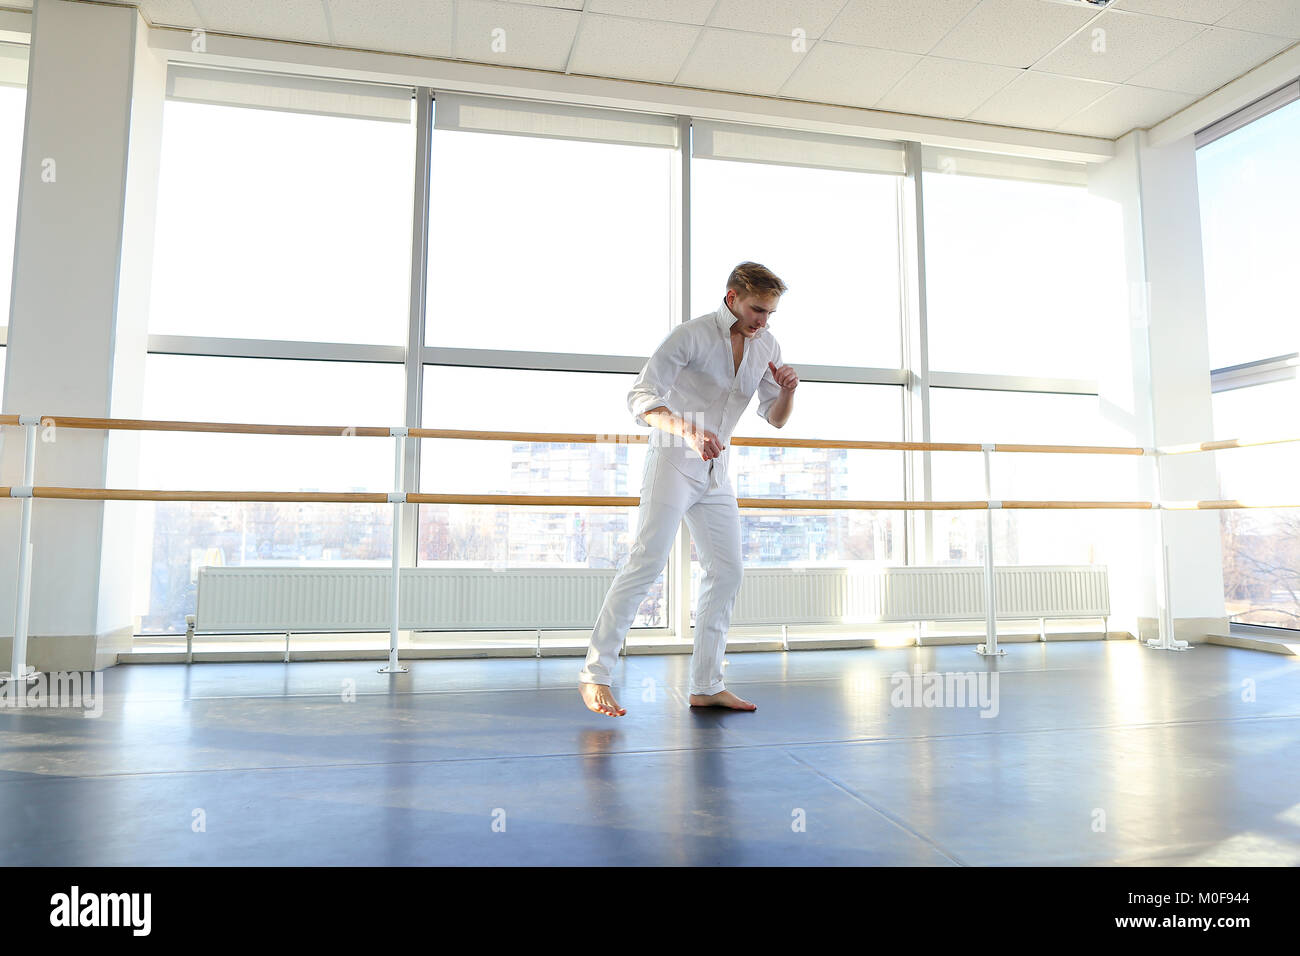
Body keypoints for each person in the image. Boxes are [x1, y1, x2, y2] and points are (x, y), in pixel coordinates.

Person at [578, 262, 799, 717]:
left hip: (717, 472)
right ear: (733, 296)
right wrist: (688, 431)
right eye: (758, 309)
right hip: (674, 460)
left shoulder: (767, 345)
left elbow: (773, 416)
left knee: (728, 571)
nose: (763, 321)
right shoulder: (690, 335)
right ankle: (595, 675)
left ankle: (706, 684)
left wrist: (789, 392)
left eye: (770, 313)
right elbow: (641, 397)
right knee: (646, 563)